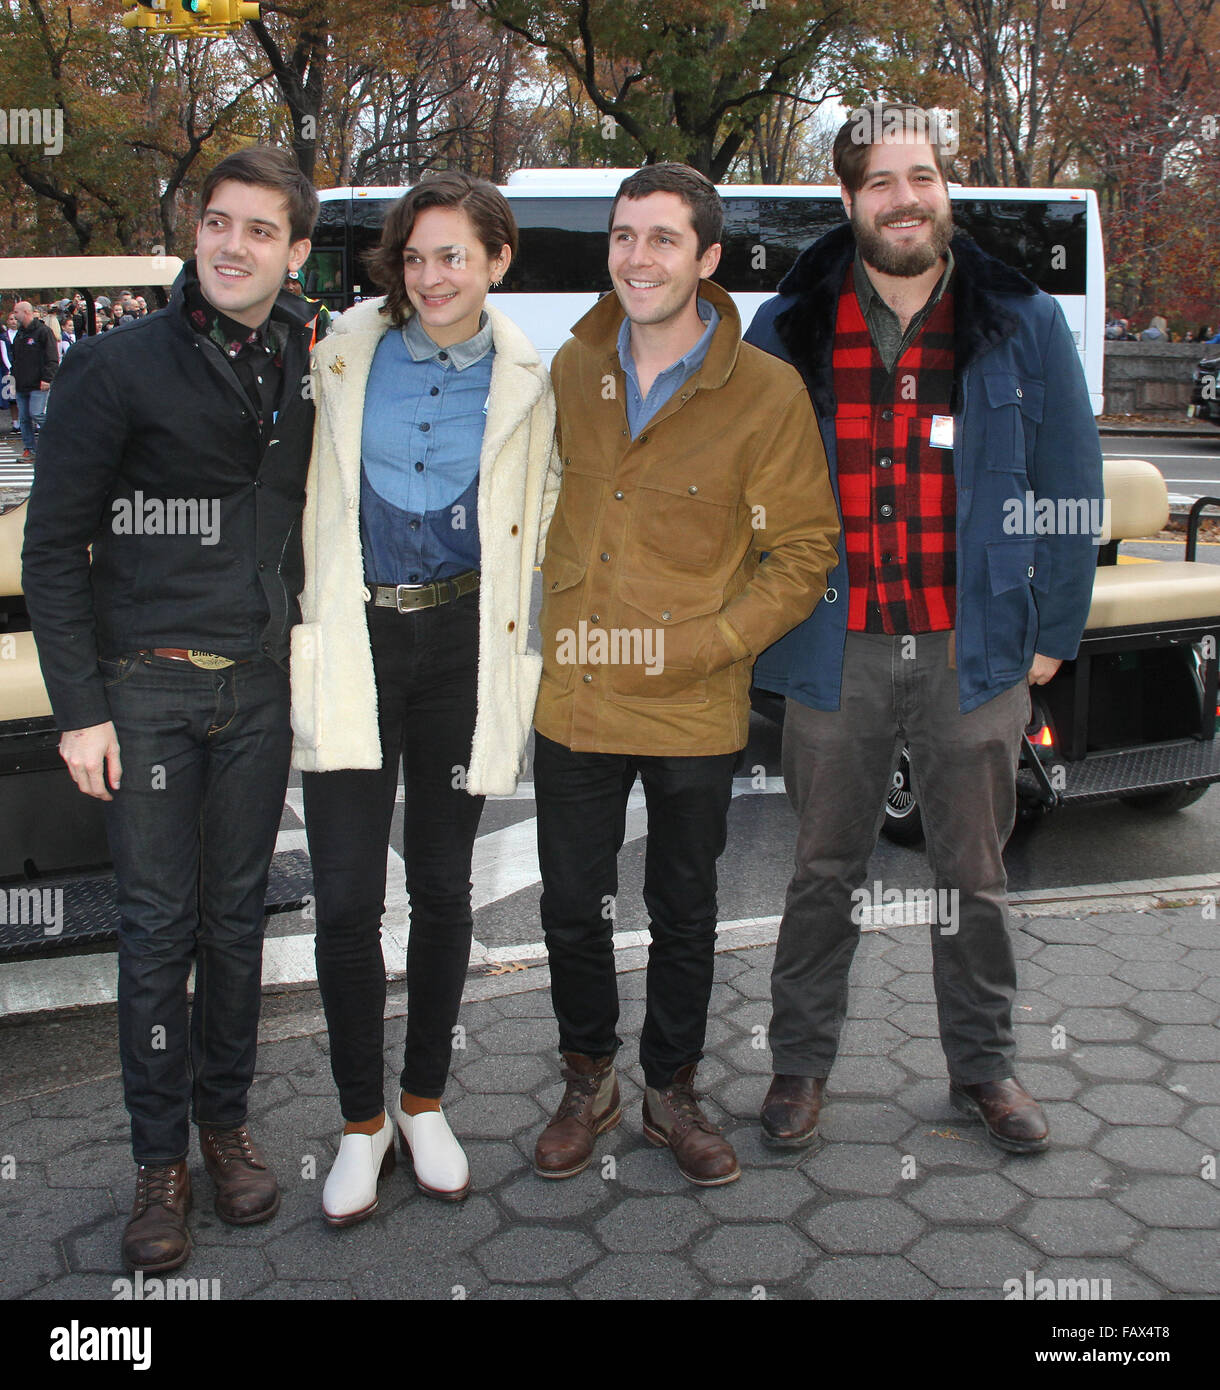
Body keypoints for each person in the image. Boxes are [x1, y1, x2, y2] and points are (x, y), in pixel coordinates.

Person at [744, 103, 1104, 1155]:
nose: (905, 198)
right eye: (881, 181)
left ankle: (982, 1068)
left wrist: (1051, 632)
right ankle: (798, 1068)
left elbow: (1067, 484)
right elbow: (743, 485)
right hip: (832, 647)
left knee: (973, 878)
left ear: (945, 189)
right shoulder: (790, 325)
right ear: (848, 200)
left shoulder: (1019, 319)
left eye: (923, 177)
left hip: (972, 648)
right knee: (819, 875)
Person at [22, 146, 319, 1273]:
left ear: (294, 251)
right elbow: (53, 550)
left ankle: (226, 1123)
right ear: (197, 233)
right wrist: (79, 710)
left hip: (256, 688)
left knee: (235, 924)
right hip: (143, 694)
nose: (232, 245)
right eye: (217, 223)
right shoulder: (115, 366)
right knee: (154, 933)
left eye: (258, 230)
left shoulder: (307, 358)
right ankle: (160, 1163)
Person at [531, 163, 840, 1187]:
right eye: (623, 236)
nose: (636, 257)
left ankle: (672, 1089)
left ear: (706, 259)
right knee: (570, 905)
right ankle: (589, 1080)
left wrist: (708, 644)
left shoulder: (763, 391)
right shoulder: (574, 368)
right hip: (576, 691)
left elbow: (799, 554)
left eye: (662, 239)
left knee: (684, 908)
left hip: (692, 697)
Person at [291, 172, 559, 1225]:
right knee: (349, 898)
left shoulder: (529, 378)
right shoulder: (341, 352)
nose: (431, 275)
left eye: (454, 255)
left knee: (444, 886)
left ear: (497, 260)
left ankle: (423, 1100)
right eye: (415, 256)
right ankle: (360, 1124)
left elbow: (553, 510)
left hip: (461, 646)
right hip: (355, 639)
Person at [9, 300, 58, 460]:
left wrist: (47, 378)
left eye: (16, 312)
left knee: (37, 414)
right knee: (24, 418)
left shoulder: (43, 332)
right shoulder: (20, 334)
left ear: (26, 312)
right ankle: (30, 449)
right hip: (22, 383)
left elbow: (52, 357)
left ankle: (58, 442)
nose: (14, 316)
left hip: (38, 382)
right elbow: (15, 359)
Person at [282, 267, 331, 341]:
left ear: (302, 285)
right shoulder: (272, 308)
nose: (290, 287)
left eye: (294, 283)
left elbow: (326, 343)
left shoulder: (318, 309)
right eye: (286, 282)